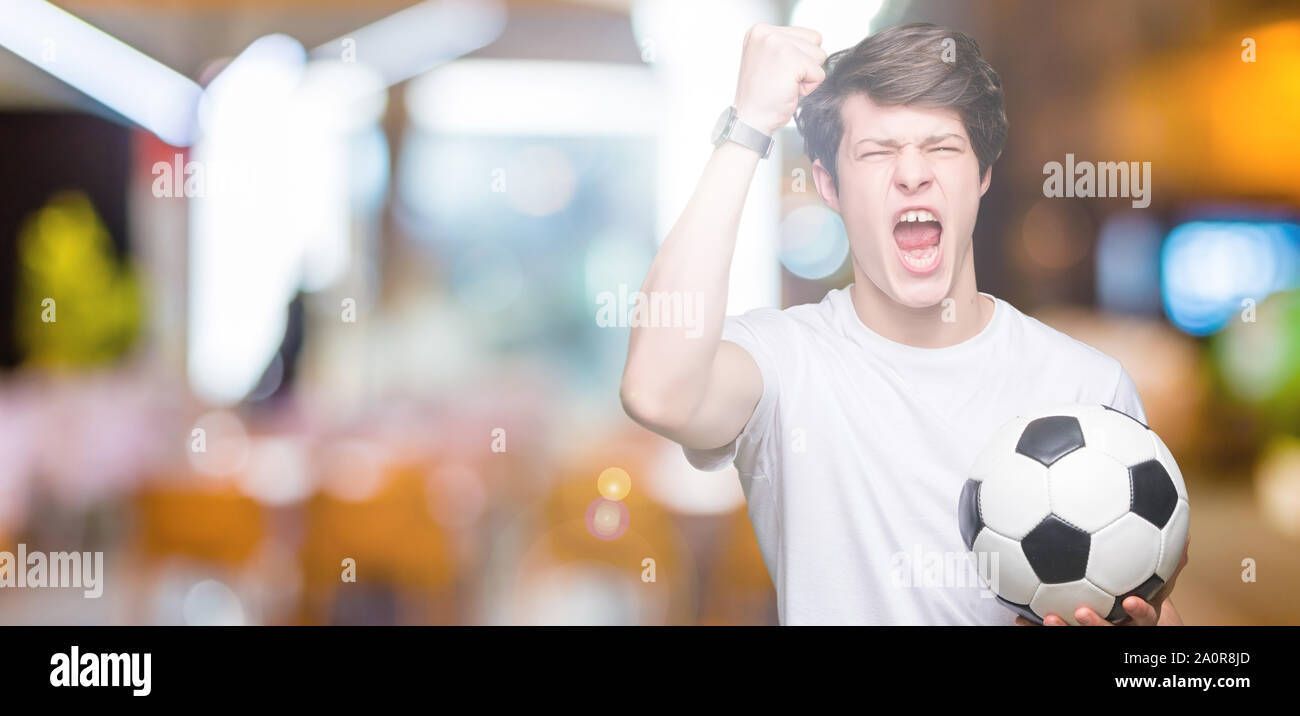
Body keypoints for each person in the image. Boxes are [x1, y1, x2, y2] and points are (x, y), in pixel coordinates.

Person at [619, 22, 1187, 625]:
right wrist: (749, 124)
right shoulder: (784, 364)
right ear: (828, 186)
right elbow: (656, 391)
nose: (912, 173)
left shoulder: (1088, 386)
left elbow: (1152, 622)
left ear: (983, 175)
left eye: (942, 147)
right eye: (877, 151)